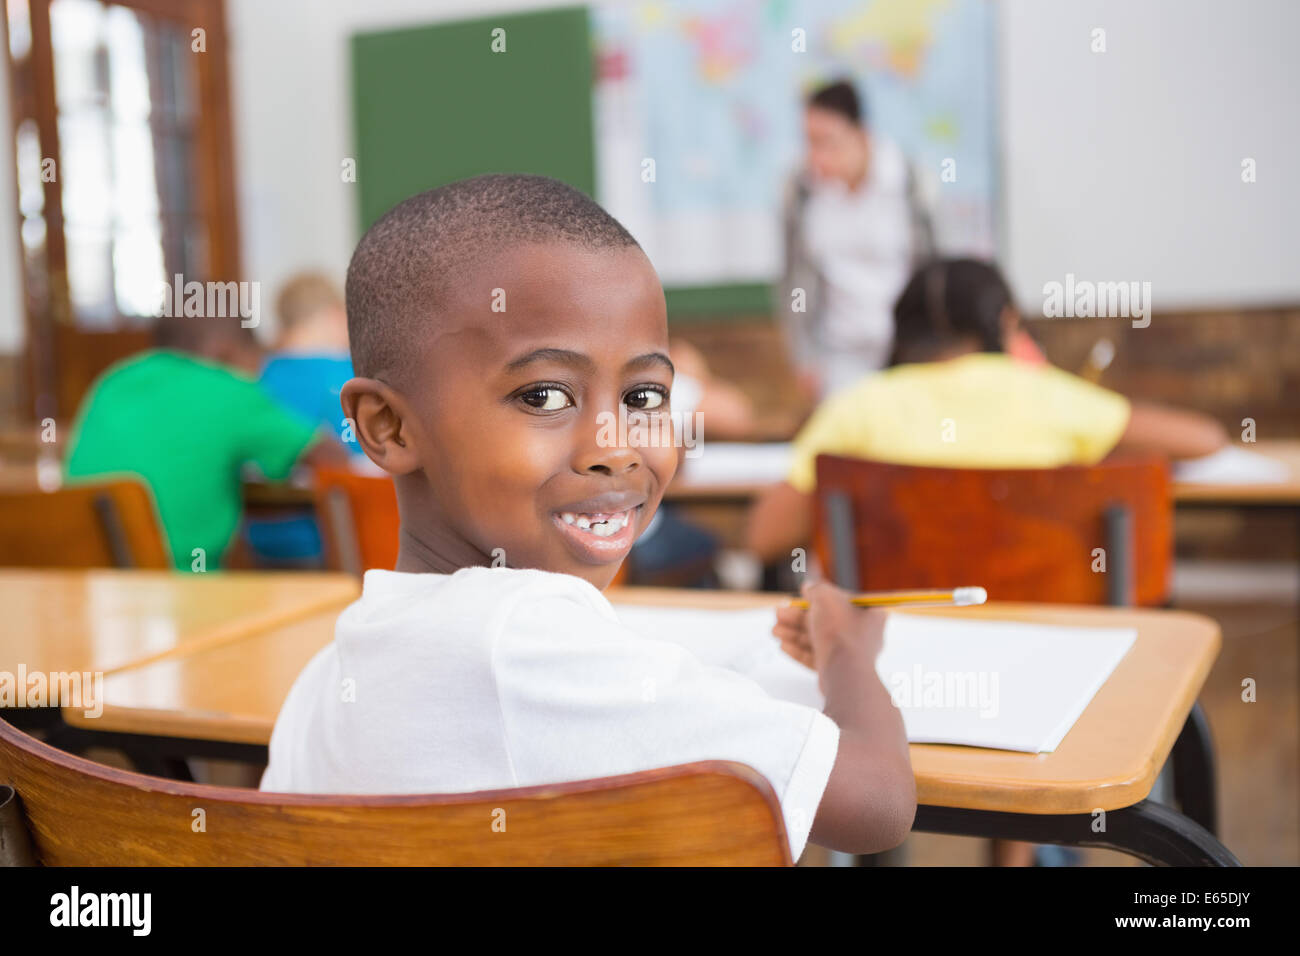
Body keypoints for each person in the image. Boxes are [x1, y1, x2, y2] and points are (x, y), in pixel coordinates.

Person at [260, 174, 916, 860]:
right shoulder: (524, 643)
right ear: (387, 426)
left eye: (643, 394)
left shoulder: (324, 682)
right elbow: (875, 806)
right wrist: (848, 653)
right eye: (543, 395)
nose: (614, 446)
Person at [748, 258, 1229, 564]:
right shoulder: (1046, 394)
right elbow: (1204, 439)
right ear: (1006, 322)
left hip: (900, 651)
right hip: (1050, 643)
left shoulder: (858, 405)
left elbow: (764, 538)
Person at [64, 316, 346, 571]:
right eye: (255, 370)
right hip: (185, 596)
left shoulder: (112, 383)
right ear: (226, 353)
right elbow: (331, 454)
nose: (258, 384)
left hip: (94, 587)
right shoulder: (228, 390)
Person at [777, 79, 933, 401]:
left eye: (827, 142)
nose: (817, 156)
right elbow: (792, 278)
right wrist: (804, 356)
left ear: (861, 134)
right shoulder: (802, 191)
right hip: (839, 355)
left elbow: (933, 268)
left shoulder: (908, 182)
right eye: (809, 142)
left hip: (904, 350)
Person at [259, 272, 359, 453]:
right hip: (345, 477)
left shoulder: (264, 372)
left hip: (274, 479)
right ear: (335, 315)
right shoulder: (347, 372)